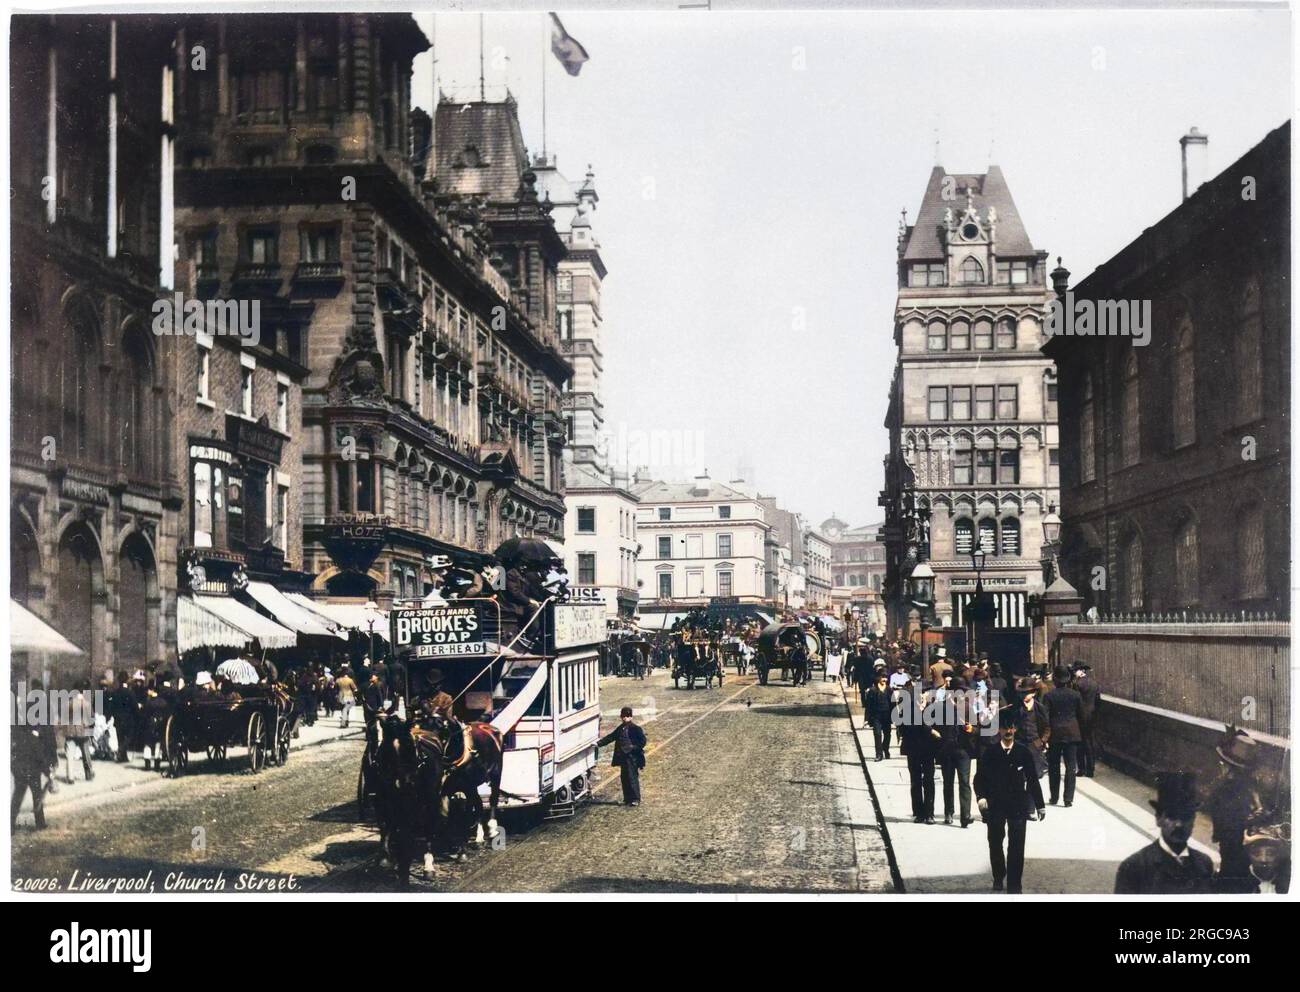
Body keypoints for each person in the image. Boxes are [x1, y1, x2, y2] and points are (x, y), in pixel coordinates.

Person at [974, 718, 1046, 893]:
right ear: (998, 730)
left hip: (1017, 806)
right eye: (1005, 727)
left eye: (1012, 728)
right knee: (995, 842)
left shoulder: (1023, 752)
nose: (1009, 731)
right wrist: (981, 798)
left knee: (1017, 846)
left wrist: (1040, 805)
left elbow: (1033, 780)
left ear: (1015, 730)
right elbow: (979, 779)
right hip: (996, 805)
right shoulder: (990, 753)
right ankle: (999, 876)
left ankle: (1015, 884)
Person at [1114, 772, 1214, 894]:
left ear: (1193, 821)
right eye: (1172, 816)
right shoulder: (1135, 867)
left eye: (1185, 817)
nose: (1179, 824)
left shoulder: (1203, 864)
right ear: (1158, 819)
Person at [1204, 727, 1263, 884]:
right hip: (1245, 841)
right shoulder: (1249, 786)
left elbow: (1220, 817)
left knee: (1230, 867)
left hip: (1232, 841)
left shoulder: (1224, 789)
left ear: (1228, 767)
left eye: (1222, 763)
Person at [12, 680, 57, 830]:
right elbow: (41, 752)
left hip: (19, 763)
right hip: (32, 765)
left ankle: (9, 825)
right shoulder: (36, 734)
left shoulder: (22, 726)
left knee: (18, 795)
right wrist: (48, 769)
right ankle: (40, 823)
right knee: (36, 793)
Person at [937, 677, 979, 827]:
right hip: (947, 750)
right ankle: (949, 812)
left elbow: (977, 728)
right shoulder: (941, 708)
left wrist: (971, 729)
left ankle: (965, 816)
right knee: (948, 783)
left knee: (965, 783)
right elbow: (935, 728)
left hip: (964, 751)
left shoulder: (968, 708)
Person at [1043, 665, 1083, 807]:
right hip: (1072, 734)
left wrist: (1045, 737)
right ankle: (1068, 799)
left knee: (1054, 766)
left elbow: (1045, 717)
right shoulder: (1076, 695)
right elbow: (1081, 715)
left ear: (1055, 680)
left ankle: (1054, 797)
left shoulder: (1049, 696)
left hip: (1055, 735)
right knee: (1071, 766)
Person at [897, 689, 936, 824]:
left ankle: (929, 813)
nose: (923, 698)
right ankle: (919, 813)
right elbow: (903, 728)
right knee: (916, 781)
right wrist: (928, 729)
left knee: (929, 781)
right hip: (913, 750)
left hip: (928, 750)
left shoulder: (933, 709)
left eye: (925, 696)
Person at [597, 706, 647, 807]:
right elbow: (611, 737)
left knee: (632, 777)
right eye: (624, 716)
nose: (625, 718)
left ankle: (635, 799)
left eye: (627, 716)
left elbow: (642, 741)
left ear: (631, 717)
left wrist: (633, 747)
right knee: (624, 778)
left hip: (632, 758)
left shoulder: (636, 728)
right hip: (623, 758)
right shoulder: (620, 728)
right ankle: (627, 799)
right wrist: (598, 743)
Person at [1071, 662, 1101, 777]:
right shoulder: (1094, 683)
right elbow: (1098, 701)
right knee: (1089, 742)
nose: (1074, 673)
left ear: (1082, 671)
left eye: (1076, 671)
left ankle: (1081, 769)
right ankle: (1091, 769)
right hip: (1091, 716)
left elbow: (1075, 701)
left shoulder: (1077, 684)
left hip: (1080, 717)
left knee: (1080, 743)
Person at [865, 673, 893, 760]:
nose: (884, 680)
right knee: (877, 734)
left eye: (886, 678)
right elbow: (868, 706)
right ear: (878, 678)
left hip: (887, 716)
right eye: (883, 678)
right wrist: (866, 719)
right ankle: (879, 754)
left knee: (887, 734)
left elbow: (893, 704)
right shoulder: (873, 690)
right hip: (876, 716)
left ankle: (885, 748)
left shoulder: (889, 690)